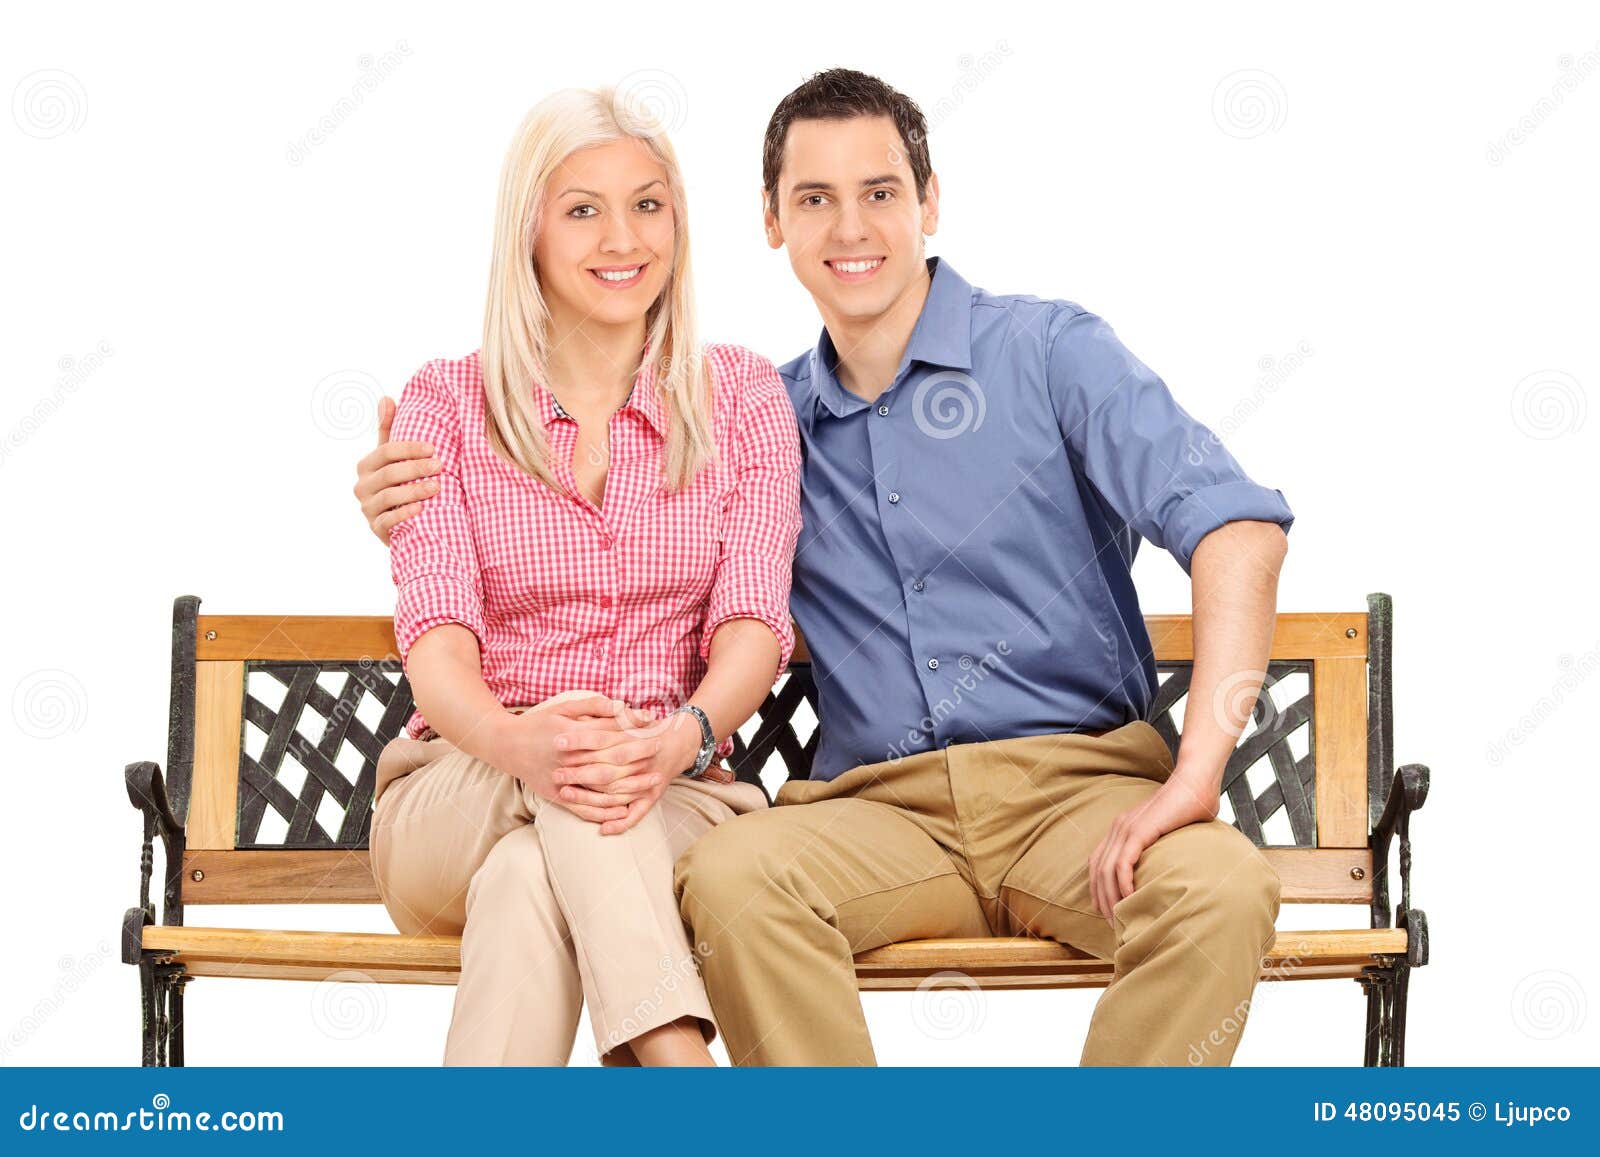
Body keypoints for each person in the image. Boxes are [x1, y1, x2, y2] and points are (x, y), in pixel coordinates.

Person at [357, 69, 1295, 1068]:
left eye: (880, 191)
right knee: (731, 878)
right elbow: (579, 555)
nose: (851, 227)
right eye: (814, 198)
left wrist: (1195, 775)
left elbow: (1238, 528)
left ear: (929, 201)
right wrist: (414, 496)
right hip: (877, 812)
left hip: (1080, 793)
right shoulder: (768, 412)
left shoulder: (1044, 353)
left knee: (1221, 886)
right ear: (771, 221)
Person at [356, 85, 801, 1067]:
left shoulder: (741, 396)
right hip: (458, 788)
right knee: (570, 767)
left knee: (530, 877)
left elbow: (752, 619)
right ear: (530, 229)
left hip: (672, 791)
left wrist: (680, 736)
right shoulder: (447, 401)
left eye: (647, 204)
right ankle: (683, 1067)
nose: (622, 238)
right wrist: (522, 742)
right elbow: (437, 645)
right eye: (583, 209)